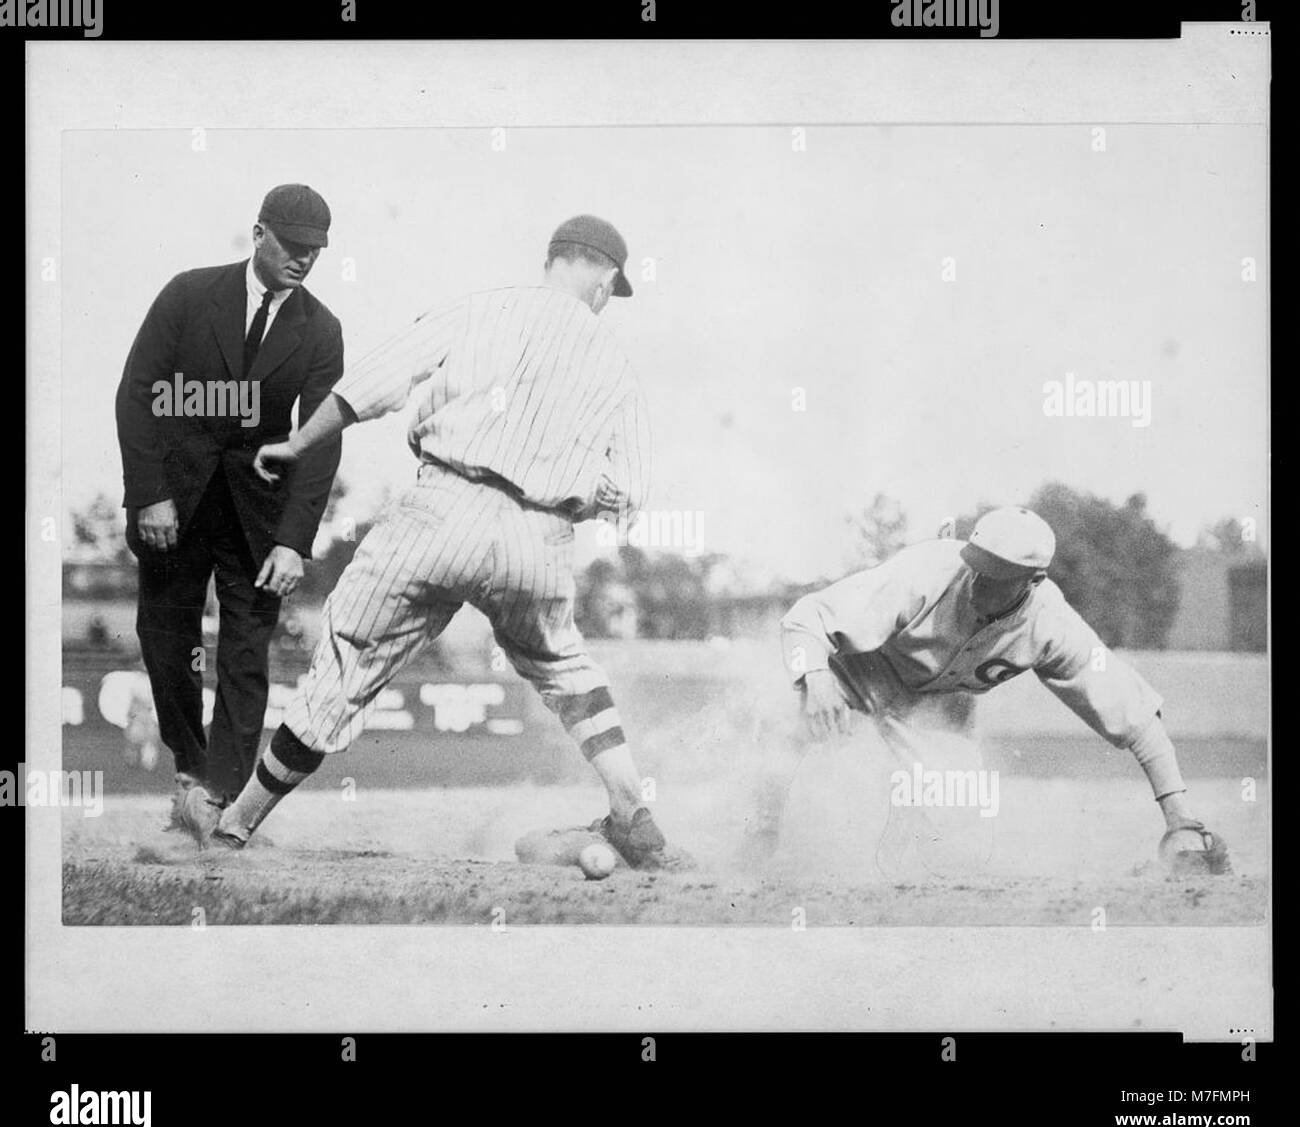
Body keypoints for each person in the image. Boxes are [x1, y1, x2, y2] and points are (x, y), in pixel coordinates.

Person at [211, 215, 671, 868]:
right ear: (599, 270)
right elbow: (628, 492)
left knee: (346, 665)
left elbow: (376, 383)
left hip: (440, 510)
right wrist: (586, 490)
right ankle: (630, 806)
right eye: (611, 285)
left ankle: (235, 826)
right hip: (537, 539)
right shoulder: (615, 365)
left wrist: (295, 442)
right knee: (566, 666)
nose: (608, 299)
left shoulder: (482, 310)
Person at [744, 506, 1228, 875]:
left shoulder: (1050, 625)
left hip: (933, 713)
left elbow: (1135, 716)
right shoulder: (923, 572)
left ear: (1032, 581)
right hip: (861, 670)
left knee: (964, 853)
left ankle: (909, 825)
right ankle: (760, 842)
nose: (978, 578)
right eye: (978, 563)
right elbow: (809, 616)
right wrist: (817, 676)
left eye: (996, 574)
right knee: (785, 714)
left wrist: (1179, 817)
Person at [114, 184, 343, 839]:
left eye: (316, 251)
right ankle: (189, 771)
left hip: (258, 523)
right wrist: (149, 493)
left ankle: (217, 800)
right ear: (259, 233)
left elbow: (321, 439)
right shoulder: (189, 294)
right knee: (168, 642)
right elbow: (138, 394)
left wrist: (294, 541)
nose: (304, 259)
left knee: (245, 658)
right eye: (293, 246)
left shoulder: (321, 329)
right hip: (174, 510)